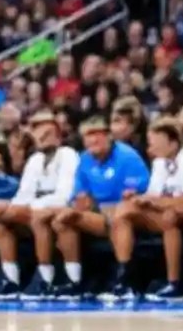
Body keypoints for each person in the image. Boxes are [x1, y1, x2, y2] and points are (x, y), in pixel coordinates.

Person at [104, 117, 183, 303]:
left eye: (156, 143)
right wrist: (138, 198)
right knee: (124, 211)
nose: (152, 148)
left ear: (173, 142)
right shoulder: (160, 163)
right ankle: (125, 280)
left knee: (170, 216)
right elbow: (153, 195)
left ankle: (174, 283)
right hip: (162, 211)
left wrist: (156, 202)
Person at [0, 110, 78, 301]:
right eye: (38, 133)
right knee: (1, 221)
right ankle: (10, 278)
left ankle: (45, 276)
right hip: (37, 211)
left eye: (47, 133)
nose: (42, 137)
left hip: (61, 211)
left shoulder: (68, 155)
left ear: (58, 136)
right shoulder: (34, 160)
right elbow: (23, 196)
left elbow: (65, 196)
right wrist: (7, 208)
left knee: (36, 216)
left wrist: (21, 208)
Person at [51, 117, 149, 300]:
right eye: (88, 136)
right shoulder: (84, 160)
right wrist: (81, 204)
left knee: (120, 216)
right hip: (99, 215)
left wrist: (105, 207)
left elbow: (137, 195)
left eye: (98, 135)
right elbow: (80, 196)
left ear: (109, 136)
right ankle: (74, 281)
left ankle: (125, 283)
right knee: (66, 218)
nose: (93, 140)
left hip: (132, 215)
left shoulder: (128, 156)